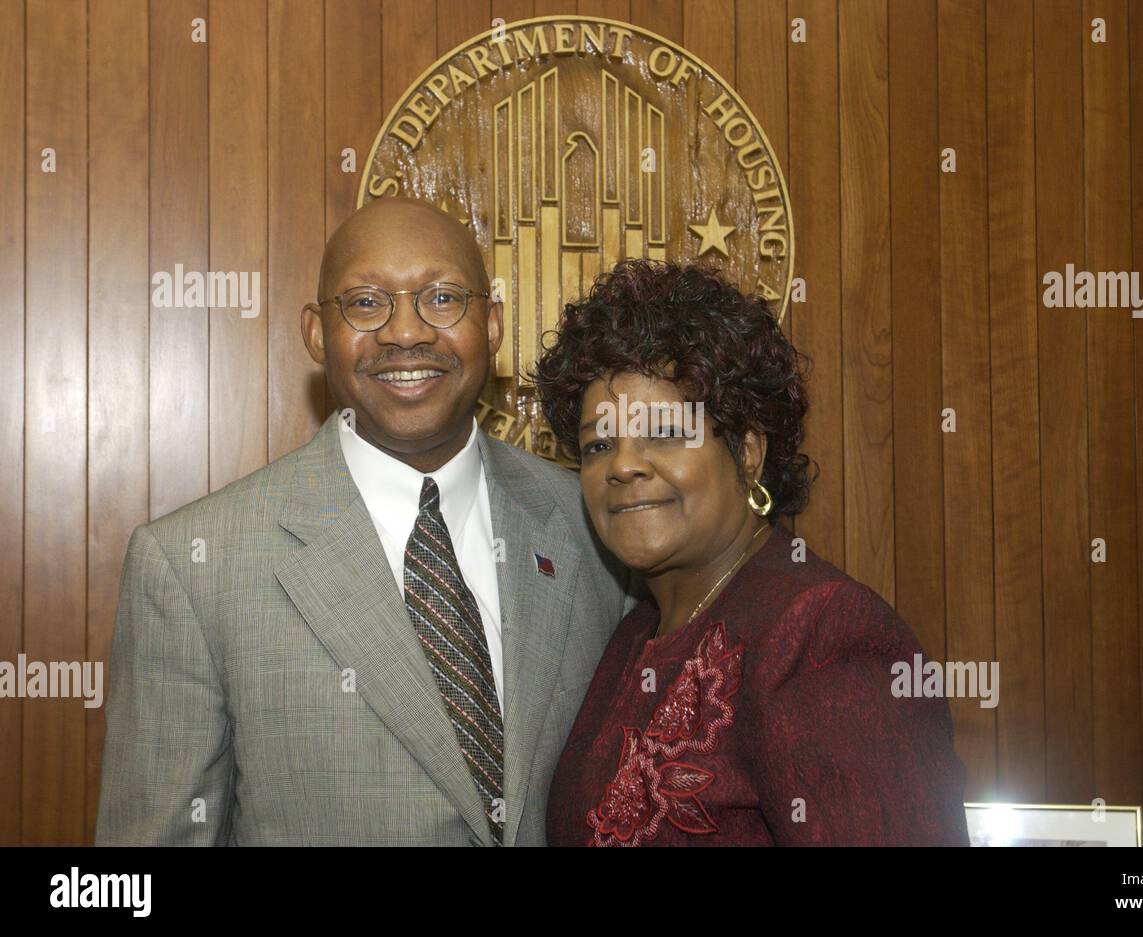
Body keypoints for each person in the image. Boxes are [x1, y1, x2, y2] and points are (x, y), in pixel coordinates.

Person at [95, 197, 634, 846]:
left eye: (441, 298)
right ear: (317, 333)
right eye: (366, 302)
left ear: (491, 325)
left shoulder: (596, 526)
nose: (406, 331)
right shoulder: (192, 566)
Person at [533, 260, 970, 846]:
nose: (623, 465)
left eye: (663, 433)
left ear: (747, 452)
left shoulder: (820, 635)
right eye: (599, 444)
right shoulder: (633, 634)